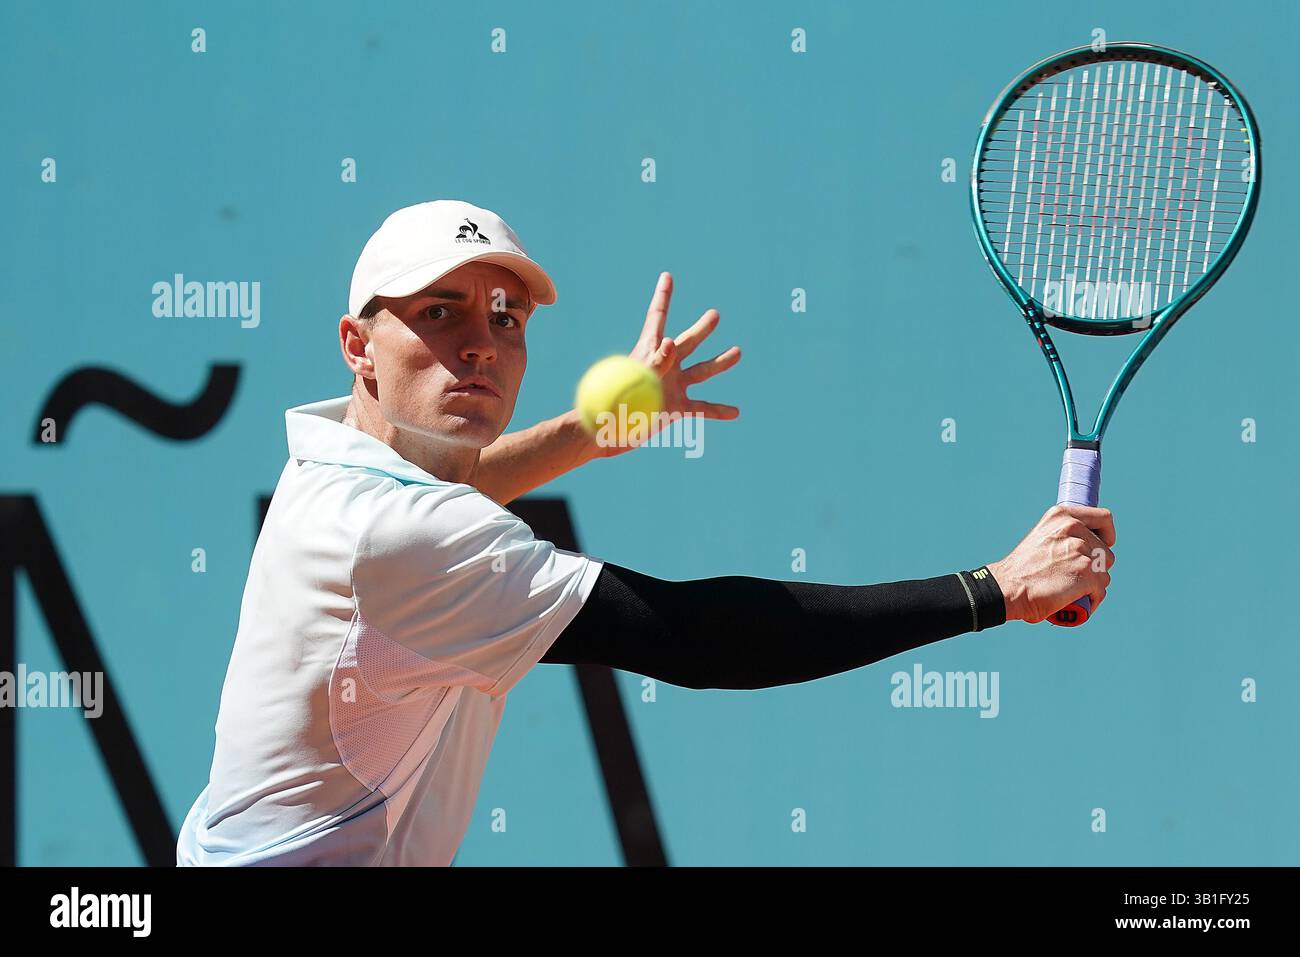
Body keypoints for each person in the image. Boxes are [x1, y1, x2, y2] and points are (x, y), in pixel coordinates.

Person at [177, 199, 1115, 866]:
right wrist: (995, 588)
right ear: (357, 345)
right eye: (439, 312)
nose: (480, 343)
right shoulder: (394, 534)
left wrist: (588, 434)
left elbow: (453, 489)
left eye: (505, 317)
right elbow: (692, 635)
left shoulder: (339, 467)